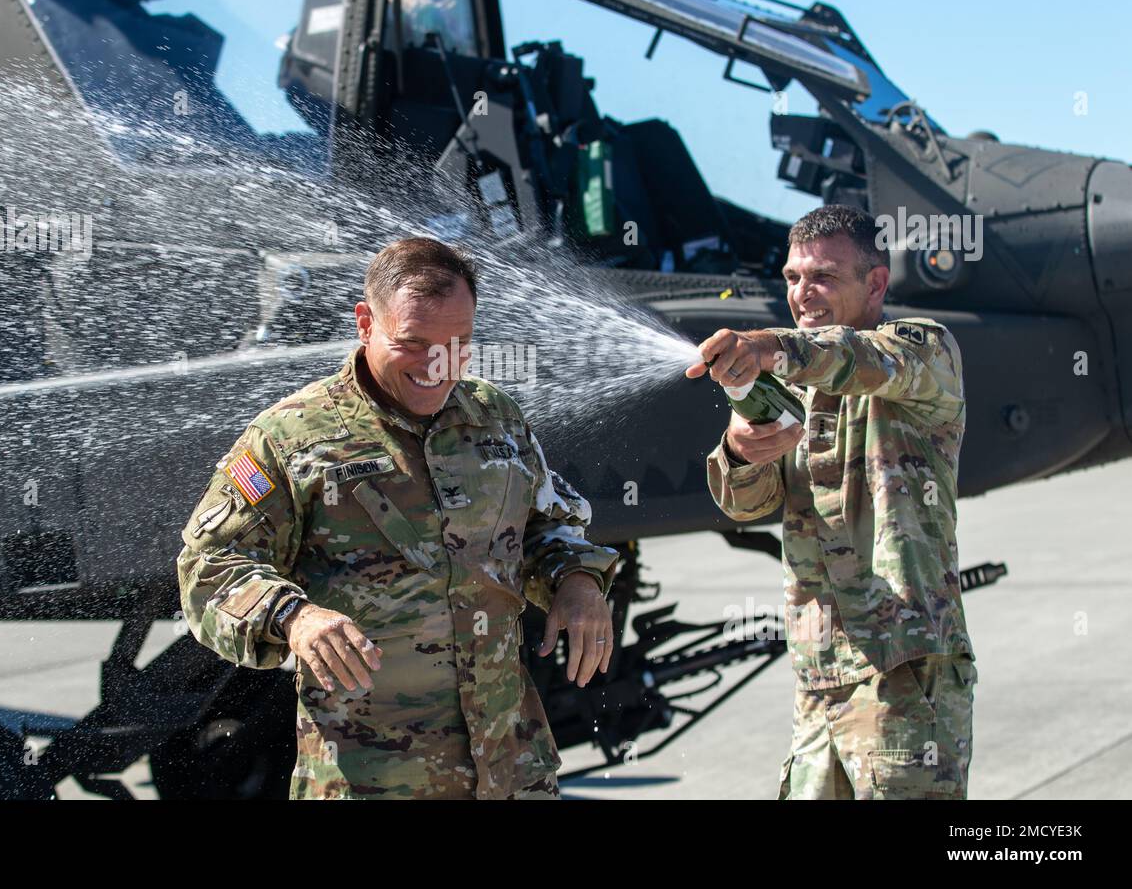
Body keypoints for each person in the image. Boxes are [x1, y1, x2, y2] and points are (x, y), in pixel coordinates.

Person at [177, 236, 618, 799]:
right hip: (371, 781)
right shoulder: (291, 437)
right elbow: (208, 569)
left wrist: (577, 581)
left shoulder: (495, 417)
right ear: (365, 322)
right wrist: (296, 618)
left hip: (511, 771)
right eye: (413, 342)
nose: (439, 364)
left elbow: (543, 527)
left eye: (459, 343)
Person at [688, 204, 976, 799]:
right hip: (819, 679)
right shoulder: (791, 386)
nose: (803, 292)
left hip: (903, 671)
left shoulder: (923, 352)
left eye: (823, 276)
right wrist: (740, 453)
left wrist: (769, 345)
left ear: (875, 283)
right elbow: (748, 505)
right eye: (793, 277)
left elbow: (858, 357)